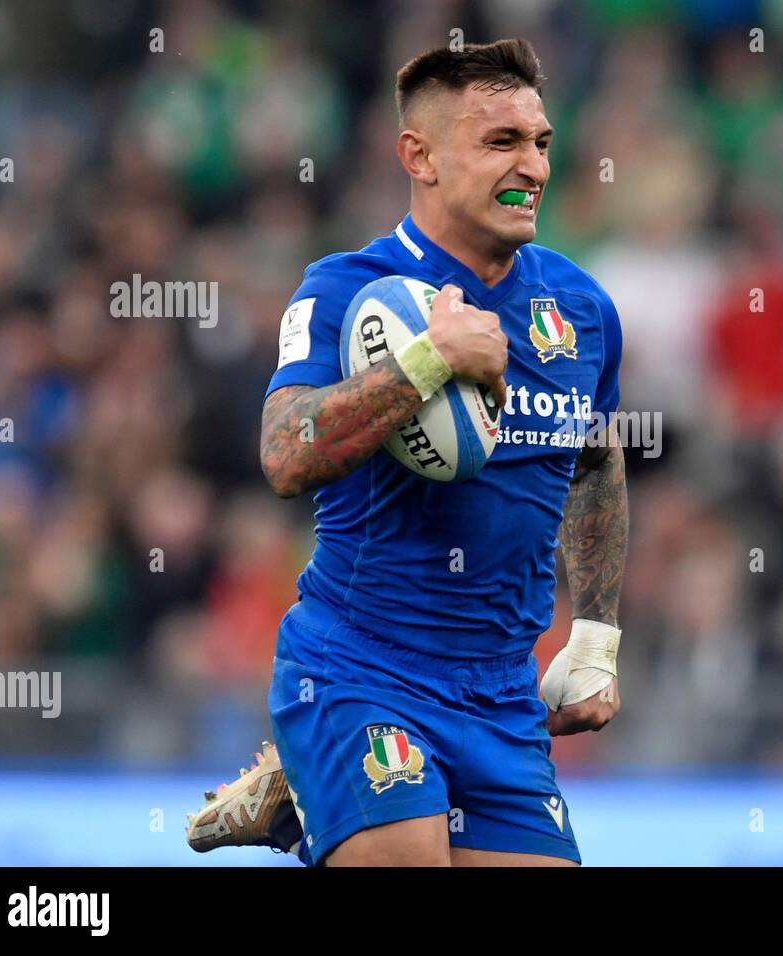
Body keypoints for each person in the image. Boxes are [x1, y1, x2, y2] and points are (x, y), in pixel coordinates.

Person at [185, 38, 628, 866]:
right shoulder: (344, 288)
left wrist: (596, 638)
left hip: (501, 691)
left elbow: (597, 460)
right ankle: (323, 769)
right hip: (362, 668)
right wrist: (429, 361)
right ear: (418, 157)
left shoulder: (582, 308)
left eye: (541, 143)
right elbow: (284, 455)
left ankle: (301, 793)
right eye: (501, 142)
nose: (533, 166)